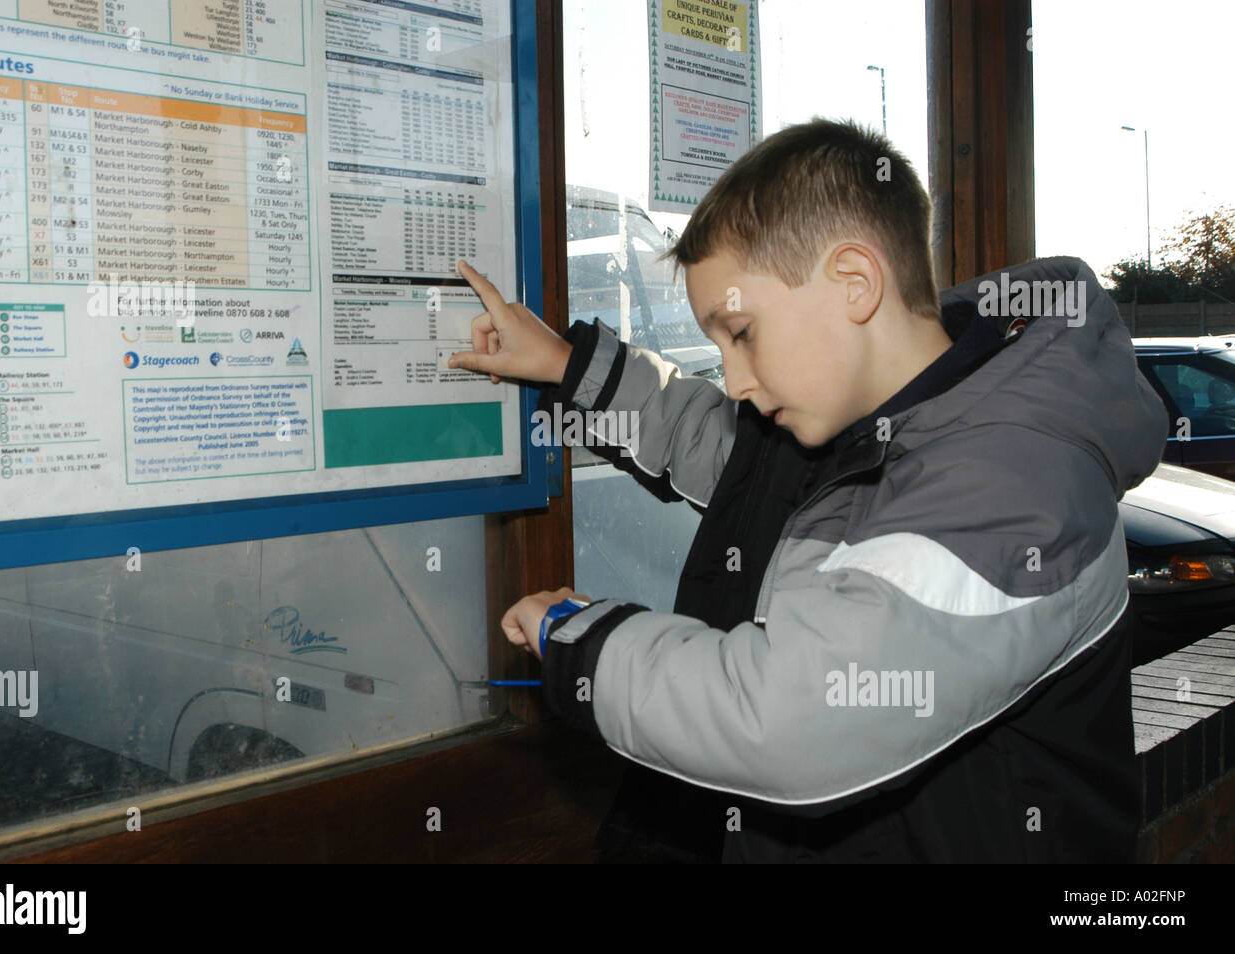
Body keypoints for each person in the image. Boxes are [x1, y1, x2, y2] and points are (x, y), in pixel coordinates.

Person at [448, 118, 1169, 862]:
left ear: (855, 284)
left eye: (743, 332)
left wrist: (577, 636)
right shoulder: (860, 416)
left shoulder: (1016, 484)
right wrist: (567, 367)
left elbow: (791, 721)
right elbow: (712, 443)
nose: (733, 378)